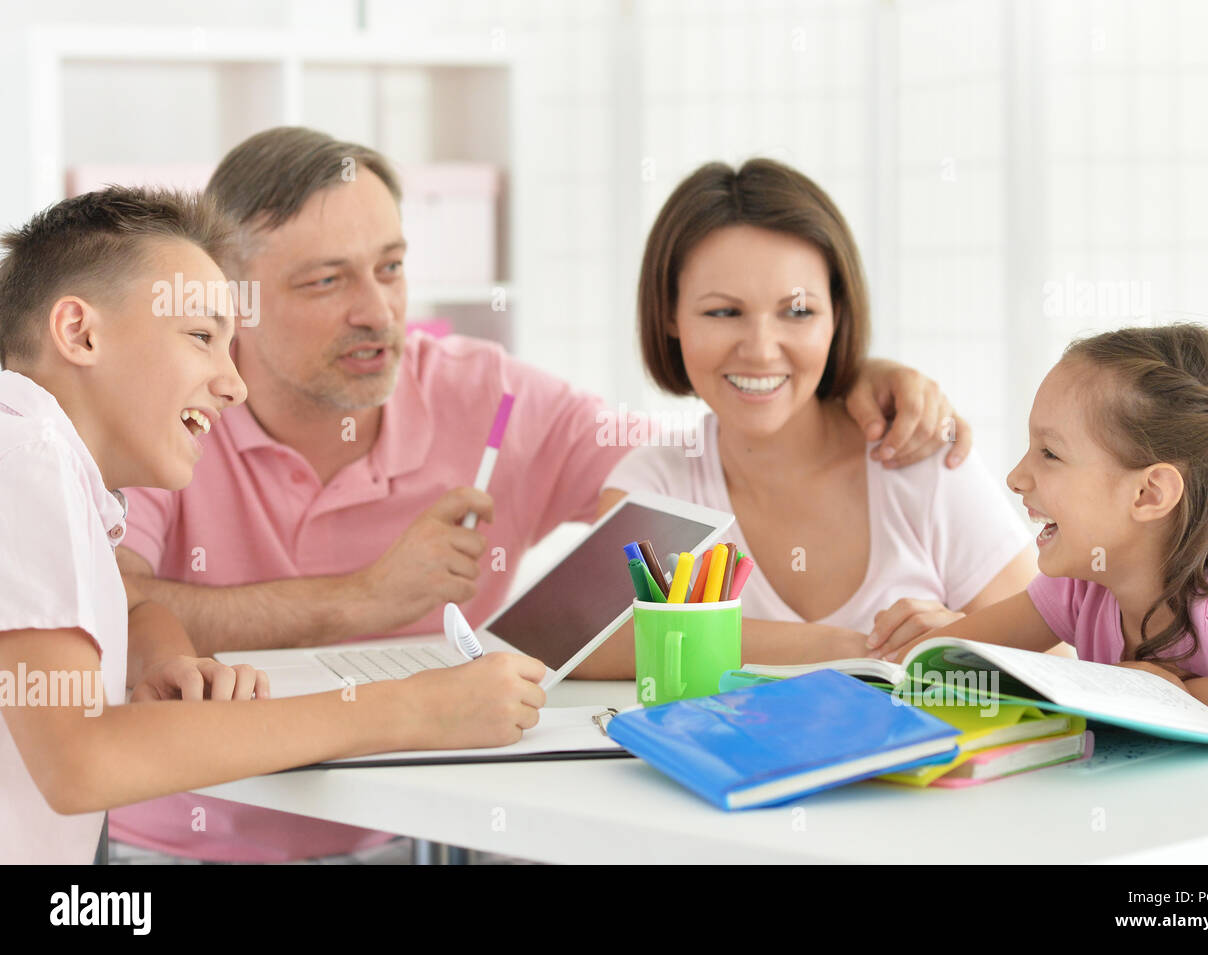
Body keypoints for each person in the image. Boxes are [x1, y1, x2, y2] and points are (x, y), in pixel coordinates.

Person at [110, 128, 972, 861]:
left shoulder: (496, 399)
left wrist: (851, 378)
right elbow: (116, 601)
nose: (380, 312)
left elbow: (718, 444)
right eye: (326, 281)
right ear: (233, 299)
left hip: (426, 833)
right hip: (201, 836)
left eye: (393, 267)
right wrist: (363, 599)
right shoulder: (169, 403)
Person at [0, 188, 546, 864]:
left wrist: (166, 661)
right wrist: (414, 708)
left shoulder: (52, 466)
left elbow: (132, 602)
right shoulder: (25, 459)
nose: (234, 384)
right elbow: (80, 761)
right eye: (202, 337)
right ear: (80, 332)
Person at [578, 159, 1039, 678]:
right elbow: (586, 639)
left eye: (797, 312)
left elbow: (1060, 658)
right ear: (669, 316)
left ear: (837, 315)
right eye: (722, 312)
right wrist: (850, 648)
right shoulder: (658, 484)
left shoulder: (920, 460)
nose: (760, 350)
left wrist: (963, 641)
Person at [877, 324, 1208, 743]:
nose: (1016, 477)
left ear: (1148, 493)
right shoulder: (1081, 592)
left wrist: (1185, 695)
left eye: (1050, 453)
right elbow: (925, 667)